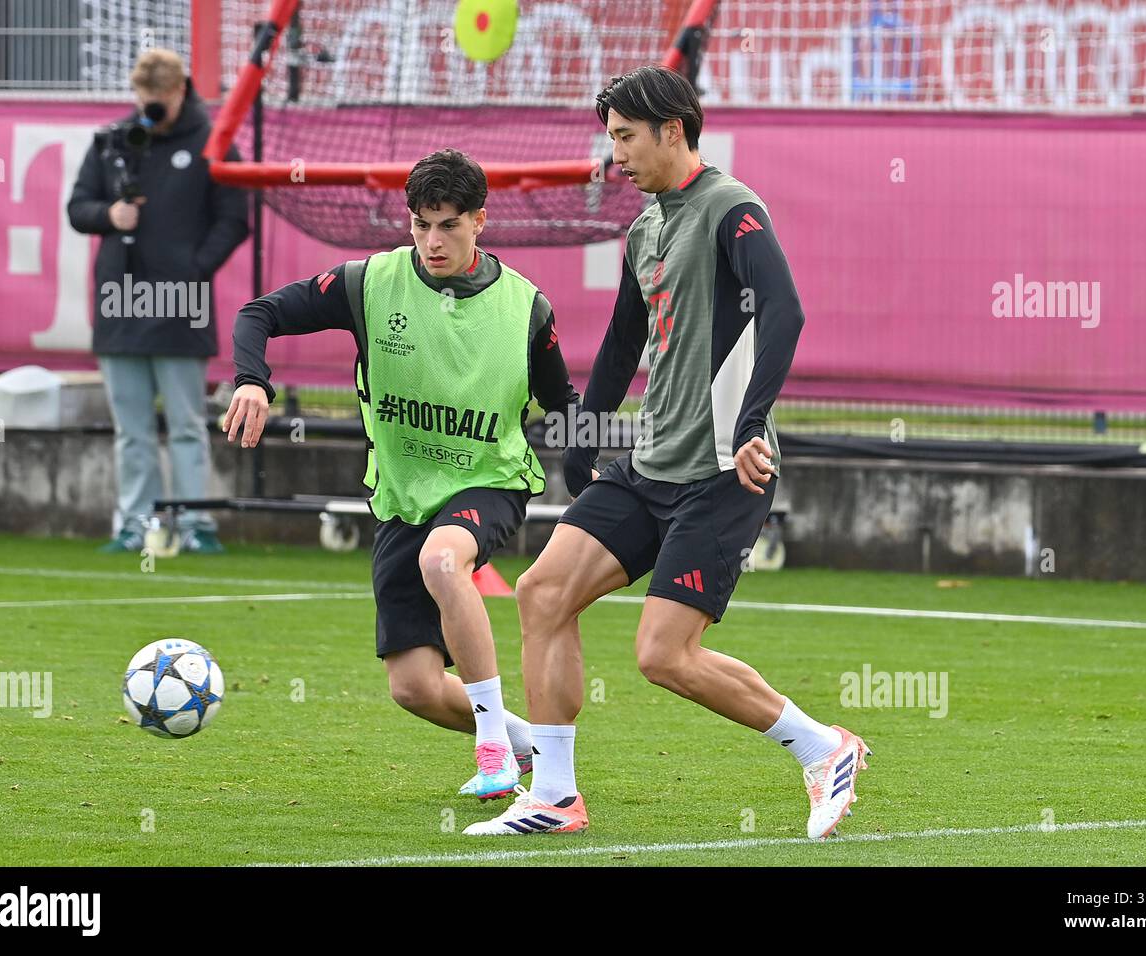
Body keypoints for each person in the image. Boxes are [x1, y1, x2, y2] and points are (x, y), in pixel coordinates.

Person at [466, 66, 870, 840]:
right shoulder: (644, 227)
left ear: (673, 130)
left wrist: (752, 423)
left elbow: (783, 311)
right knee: (541, 593)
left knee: (663, 655)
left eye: (624, 136)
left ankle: (825, 748)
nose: (614, 154)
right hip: (648, 468)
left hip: (722, 474)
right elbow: (622, 344)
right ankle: (553, 796)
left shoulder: (730, 207)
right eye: (610, 137)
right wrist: (583, 438)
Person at [223, 148, 580, 799]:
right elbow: (259, 314)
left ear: (480, 220)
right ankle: (527, 744)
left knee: (445, 561)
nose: (432, 241)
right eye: (421, 224)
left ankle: (495, 752)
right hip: (400, 499)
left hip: (488, 482)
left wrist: (598, 483)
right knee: (412, 687)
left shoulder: (525, 308)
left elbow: (565, 407)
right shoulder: (371, 283)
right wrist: (253, 383)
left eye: (448, 224)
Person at [67, 48, 249, 554]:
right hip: (119, 300)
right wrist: (110, 215)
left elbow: (234, 217)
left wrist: (194, 267)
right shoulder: (111, 142)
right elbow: (78, 208)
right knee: (132, 428)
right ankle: (136, 525)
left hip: (180, 301)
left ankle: (196, 525)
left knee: (188, 423)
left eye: (159, 102)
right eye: (143, 100)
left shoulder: (213, 142)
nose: (150, 111)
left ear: (179, 91)